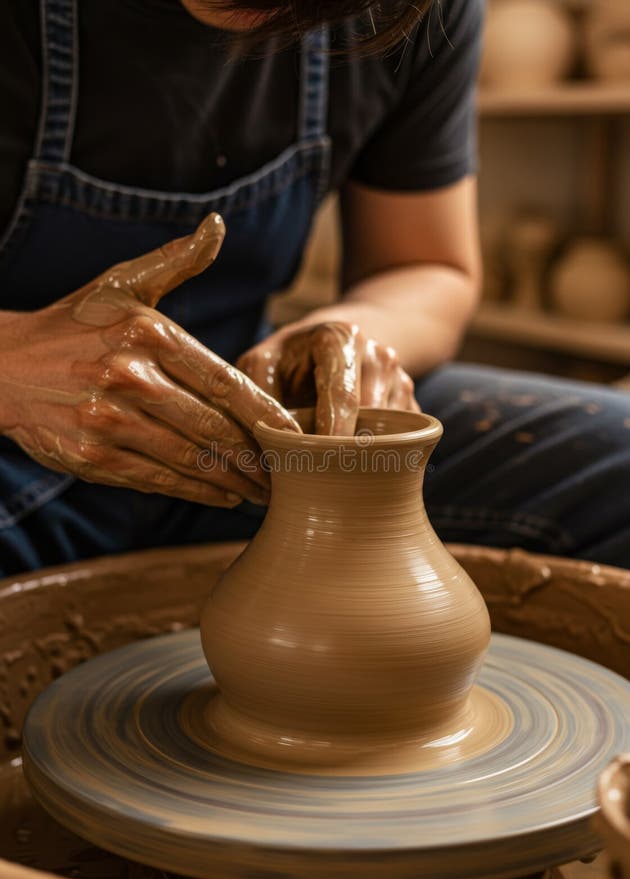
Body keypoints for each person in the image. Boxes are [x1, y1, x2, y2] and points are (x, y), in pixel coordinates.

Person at [0, 0, 628, 577]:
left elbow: (427, 268)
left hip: (248, 431)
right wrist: (15, 365)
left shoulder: (407, 11)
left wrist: (350, 337)